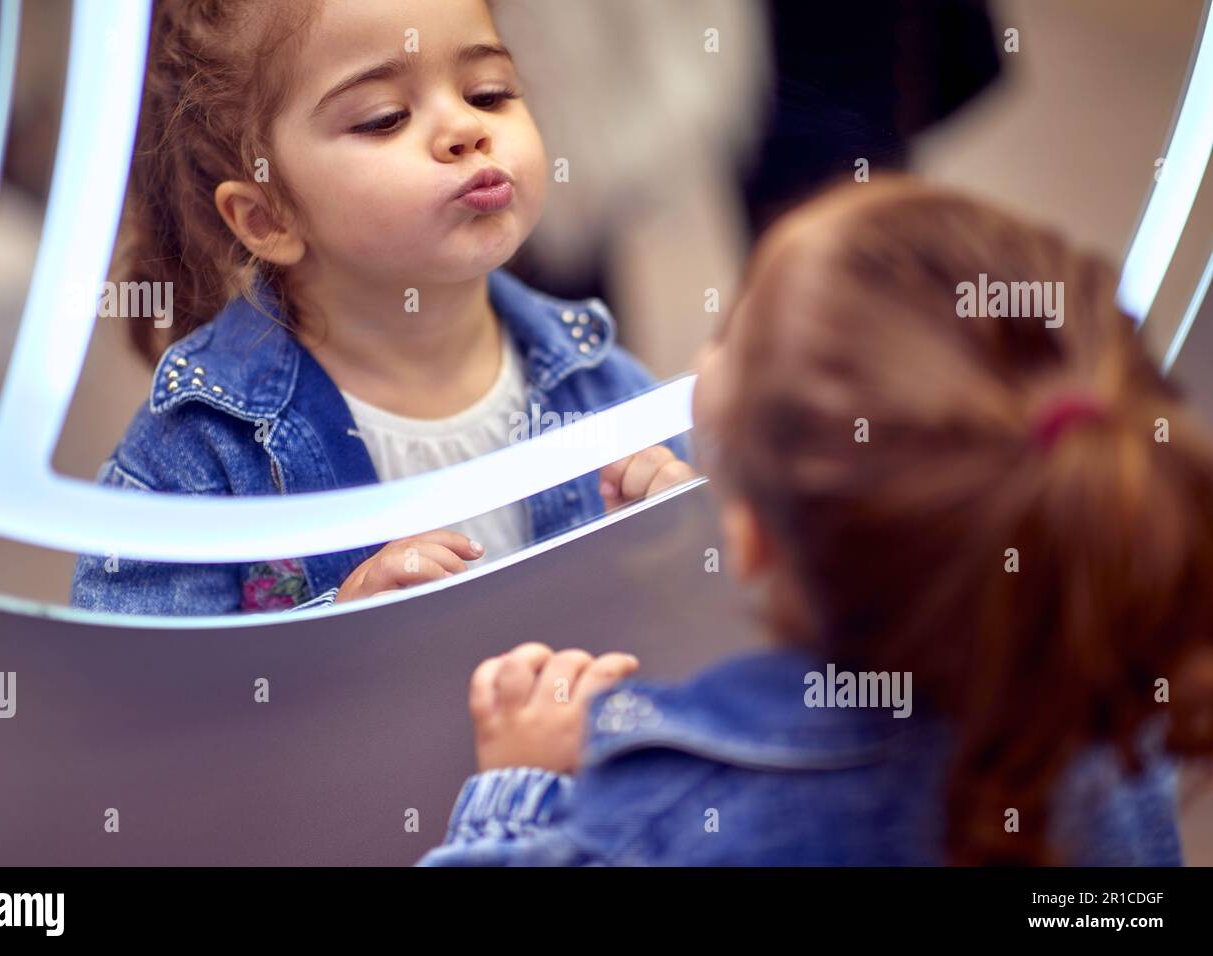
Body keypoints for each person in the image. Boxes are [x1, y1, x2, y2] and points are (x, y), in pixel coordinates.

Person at [419, 177, 1213, 865]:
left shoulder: (651, 812)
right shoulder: (1110, 726)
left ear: (752, 540)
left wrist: (519, 791)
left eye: (731, 326)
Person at [70, 0, 691, 616]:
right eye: (385, 117)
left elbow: (709, 632)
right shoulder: (198, 463)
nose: (466, 130)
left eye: (489, 93)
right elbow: (144, 700)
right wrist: (343, 635)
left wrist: (675, 554)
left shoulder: (601, 384)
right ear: (267, 217)